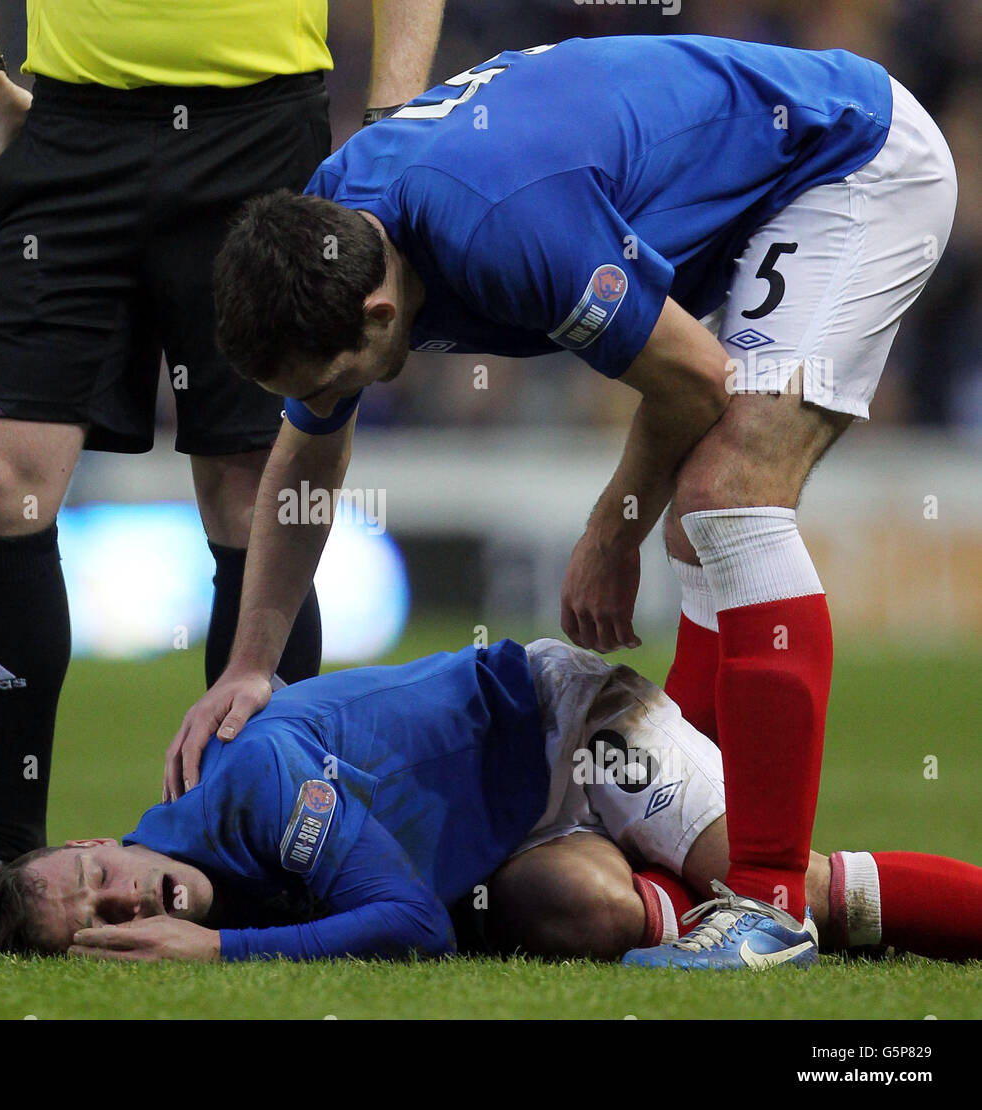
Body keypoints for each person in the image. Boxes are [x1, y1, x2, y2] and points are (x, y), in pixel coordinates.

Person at [164, 35, 958, 968]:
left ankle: (769, 907)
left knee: (727, 493)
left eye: (340, 382)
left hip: (848, 160)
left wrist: (611, 530)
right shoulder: (335, 237)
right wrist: (251, 665)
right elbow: (306, 455)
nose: (333, 402)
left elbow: (695, 381)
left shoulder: (502, 227)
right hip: (745, 192)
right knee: (702, 538)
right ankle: (703, 870)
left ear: (381, 316)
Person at [0, 0, 446, 945]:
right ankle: (6, 852)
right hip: (73, 127)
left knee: (249, 492)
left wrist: (391, 111)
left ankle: (260, 852)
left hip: (261, 127)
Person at [0, 637, 982, 964]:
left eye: (100, 877)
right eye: (103, 923)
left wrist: (222, 952)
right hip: (502, 834)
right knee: (583, 911)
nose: (126, 903)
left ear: (100, 840)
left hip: (563, 728)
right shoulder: (195, 867)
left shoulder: (254, 794)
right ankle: (667, 888)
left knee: (786, 898)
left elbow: (411, 921)